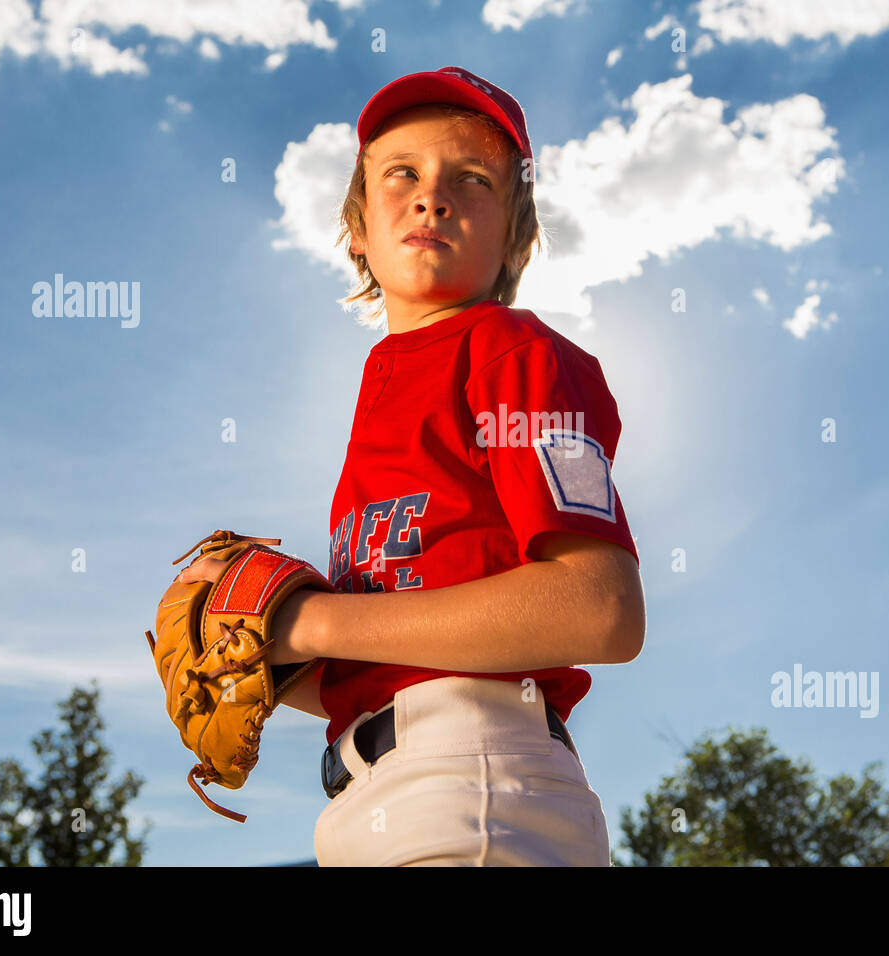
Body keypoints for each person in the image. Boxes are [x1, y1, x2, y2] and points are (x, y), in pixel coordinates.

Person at [177, 66, 644, 866]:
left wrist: (310, 623)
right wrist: (264, 653)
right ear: (357, 225)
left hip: (472, 782)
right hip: (380, 795)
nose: (433, 197)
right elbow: (392, 658)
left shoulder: (513, 351)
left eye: (472, 180)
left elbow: (598, 607)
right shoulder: (387, 385)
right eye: (403, 174)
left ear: (516, 240)